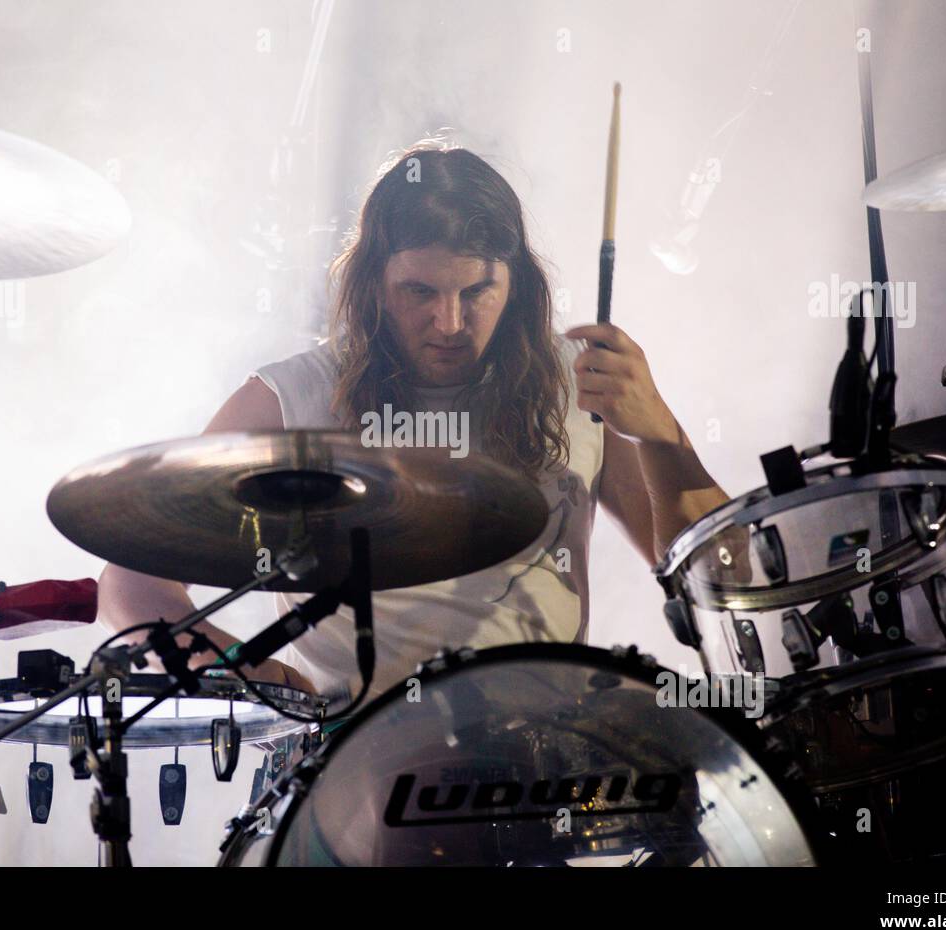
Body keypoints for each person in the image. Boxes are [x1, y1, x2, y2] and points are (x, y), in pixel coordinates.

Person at [97, 142, 729, 704]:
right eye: (420, 292)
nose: (449, 323)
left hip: (539, 745)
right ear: (372, 283)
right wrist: (255, 676)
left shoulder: (583, 383)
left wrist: (663, 437)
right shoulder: (289, 400)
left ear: (520, 285)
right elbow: (128, 584)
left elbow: (726, 579)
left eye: (477, 291)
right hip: (351, 761)